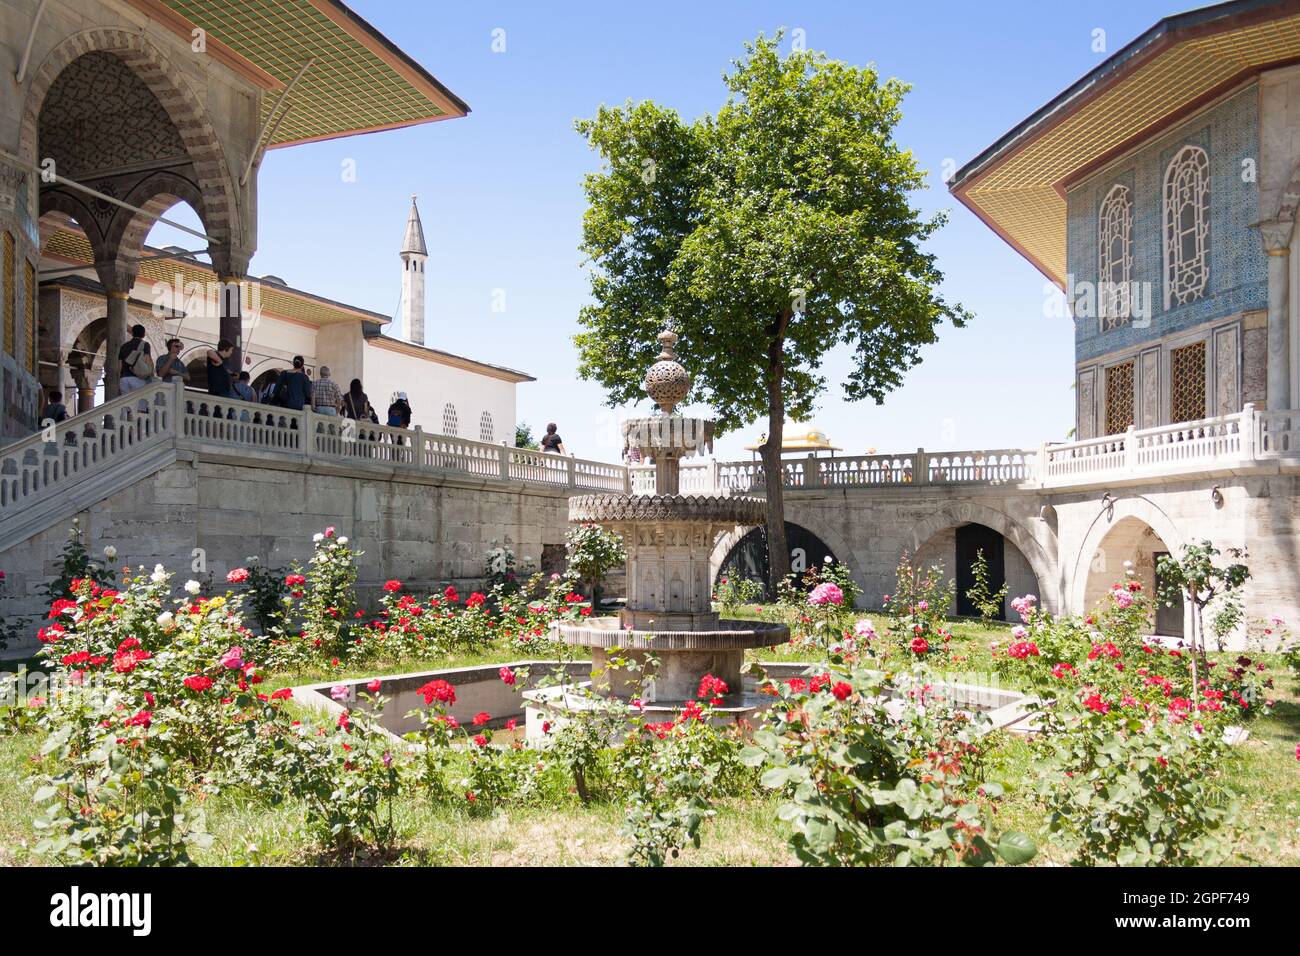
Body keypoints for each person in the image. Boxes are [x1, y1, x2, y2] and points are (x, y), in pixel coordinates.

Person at [118, 325, 154, 393]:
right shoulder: (145, 344)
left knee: (127, 402)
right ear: (144, 334)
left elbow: (119, 366)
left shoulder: (124, 346)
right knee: (140, 401)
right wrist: (151, 374)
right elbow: (147, 359)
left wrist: (119, 380)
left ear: (132, 333)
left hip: (124, 379)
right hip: (138, 377)